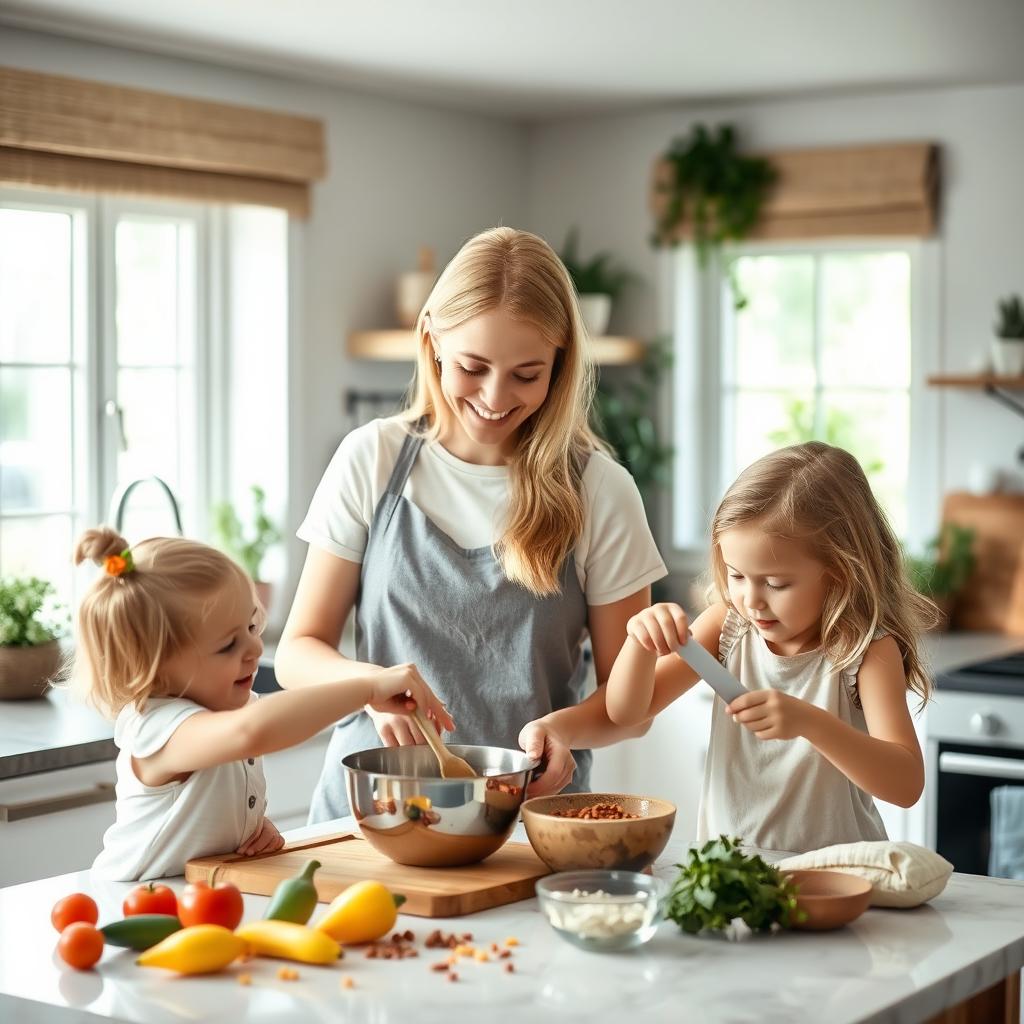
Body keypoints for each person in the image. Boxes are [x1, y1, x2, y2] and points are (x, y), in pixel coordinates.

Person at [276, 226, 666, 822]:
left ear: (561, 364)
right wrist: (368, 685)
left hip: (524, 822)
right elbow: (297, 652)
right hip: (368, 818)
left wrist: (564, 729)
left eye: (526, 374)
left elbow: (629, 705)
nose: (494, 396)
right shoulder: (372, 459)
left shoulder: (600, 491)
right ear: (431, 340)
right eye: (473, 366)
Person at [605, 442, 938, 856]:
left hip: (835, 880)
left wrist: (811, 723)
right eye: (737, 575)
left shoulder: (865, 651)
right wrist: (639, 643)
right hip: (730, 874)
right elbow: (626, 712)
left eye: (776, 583)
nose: (752, 600)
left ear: (840, 572)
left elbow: (906, 785)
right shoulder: (728, 626)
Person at [72, 527, 451, 881]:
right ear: (153, 668)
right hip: (127, 901)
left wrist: (245, 828)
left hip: (196, 898)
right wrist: (365, 688)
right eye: (227, 645)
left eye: (252, 628)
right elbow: (253, 731)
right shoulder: (157, 727)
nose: (254, 648)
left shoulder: (228, 710)